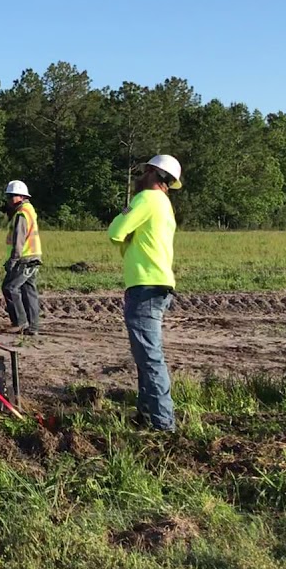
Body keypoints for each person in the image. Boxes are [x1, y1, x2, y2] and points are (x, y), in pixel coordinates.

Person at [107, 154, 182, 432]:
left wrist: (126, 236)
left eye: (144, 170)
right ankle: (146, 415)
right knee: (145, 357)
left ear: (153, 173)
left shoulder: (146, 199)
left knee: (149, 358)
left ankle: (163, 423)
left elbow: (115, 230)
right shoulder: (164, 204)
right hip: (159, 284)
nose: (140, 175)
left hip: (144, 285)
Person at [1, 180, 41, 335]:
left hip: (25, 258)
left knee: (10, 287)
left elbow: (19, 239)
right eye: (9, 196)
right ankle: (33, 327)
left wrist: (13, 260)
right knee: (28, 290)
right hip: (33, 256)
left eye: (12, 196)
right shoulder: (29, 210)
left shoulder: (22, 213)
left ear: (21, 196)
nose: (10, 199)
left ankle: (20, 322)